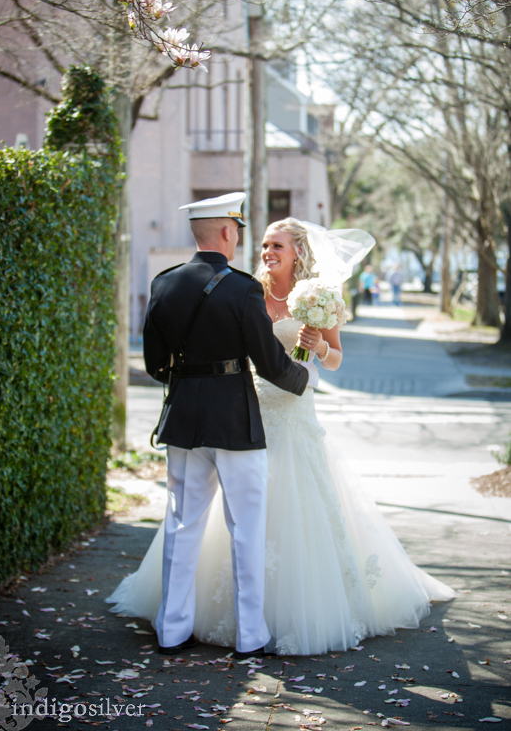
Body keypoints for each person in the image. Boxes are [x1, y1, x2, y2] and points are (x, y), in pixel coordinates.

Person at [107, 217, 455, 656]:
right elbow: (254, 358)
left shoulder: (317, 297)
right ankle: (239, 627)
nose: (268, 252)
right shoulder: (242, 287)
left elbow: (332, 360)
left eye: (278, 246)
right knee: (234, 522)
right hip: (244, 410)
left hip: (288, 412)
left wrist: (319, 348)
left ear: (298, 252)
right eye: (266, 244)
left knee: (245, 516)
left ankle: (229, 620)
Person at [110, 195, 313, 656]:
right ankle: (250, 635)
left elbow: (156, 364)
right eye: (237, 230)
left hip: (183, 421)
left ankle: (172, 629)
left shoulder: (163, 284)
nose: (239, 237)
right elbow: (270, 365)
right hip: (236, 424)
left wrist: (190, 383)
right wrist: (303, 377)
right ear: (226, 232)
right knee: (246, 528)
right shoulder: (242, 289)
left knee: (182, 523)